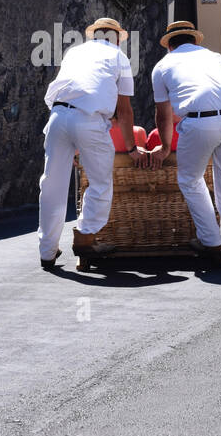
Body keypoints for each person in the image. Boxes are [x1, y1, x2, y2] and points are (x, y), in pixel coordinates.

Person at [37, 17, 146, 270]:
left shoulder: (74, 52)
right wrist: (131, 148)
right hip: (90, 120)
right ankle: (85, 236)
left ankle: (47, 251)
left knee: (52, 184)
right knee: (100, 182)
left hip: (57, 116)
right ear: (117, 38)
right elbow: (125, 110)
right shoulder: (119, 57)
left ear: (94, 36)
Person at [146, 21, 221, 270]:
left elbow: (163, 115)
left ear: (169, 46)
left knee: (190, 180)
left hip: (200, 123)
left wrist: (166, 146)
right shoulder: (216, 58)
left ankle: (212, 244)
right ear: (195, 41)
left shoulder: (162, 66)